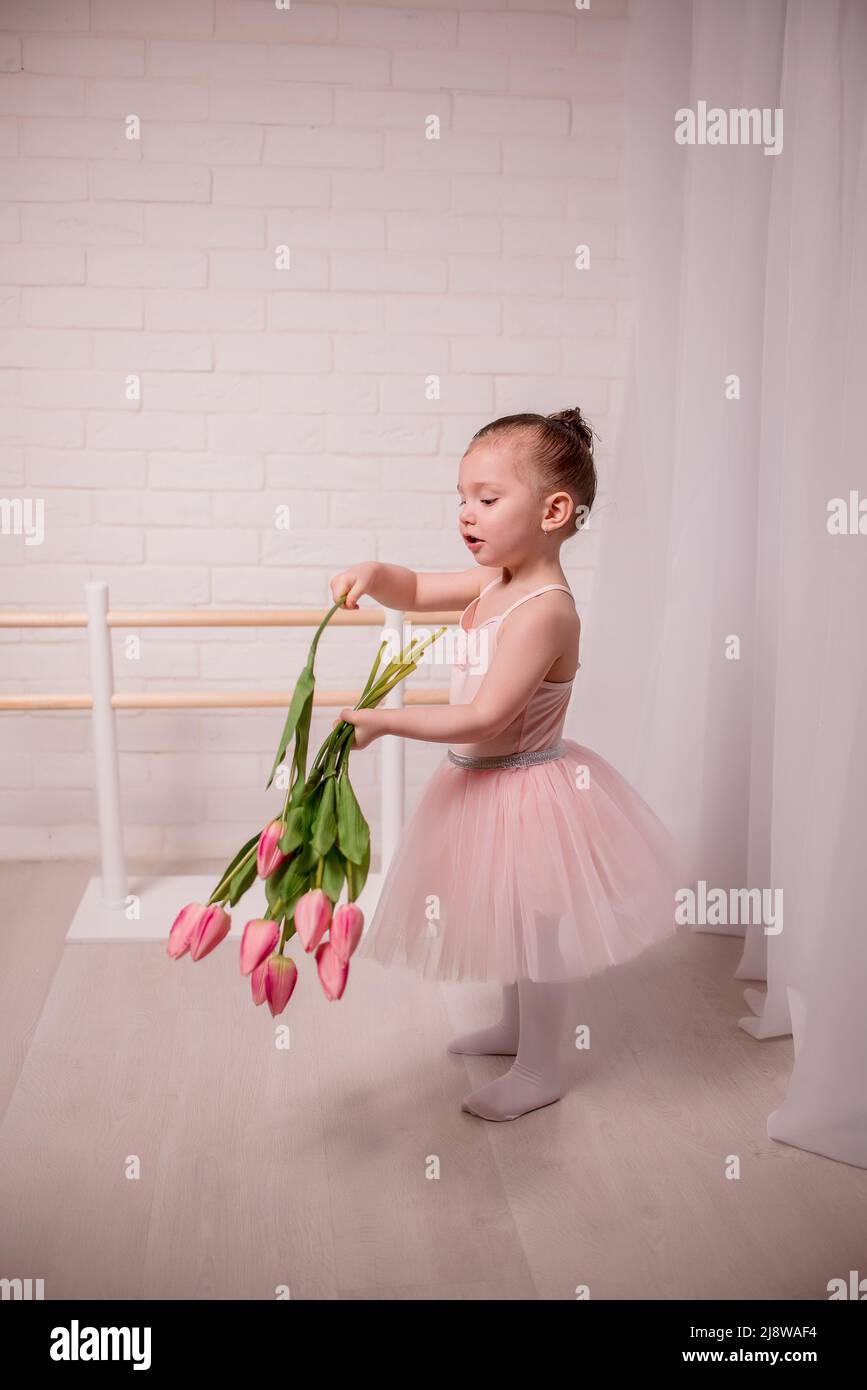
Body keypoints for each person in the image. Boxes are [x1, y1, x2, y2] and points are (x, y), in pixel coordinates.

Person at [329, 409, 688, 1123]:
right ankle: (514, 1027)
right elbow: (416, 589)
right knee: (508, 919)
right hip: (480, 784)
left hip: (530, 787)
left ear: (554, 510)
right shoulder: (492, 581)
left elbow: (484, 717)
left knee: (539, 929)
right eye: (462, 498)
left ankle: (542, 1066)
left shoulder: (543, 610)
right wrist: (374, 573)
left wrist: (386, 721)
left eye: (487, 499)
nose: (467, 514)